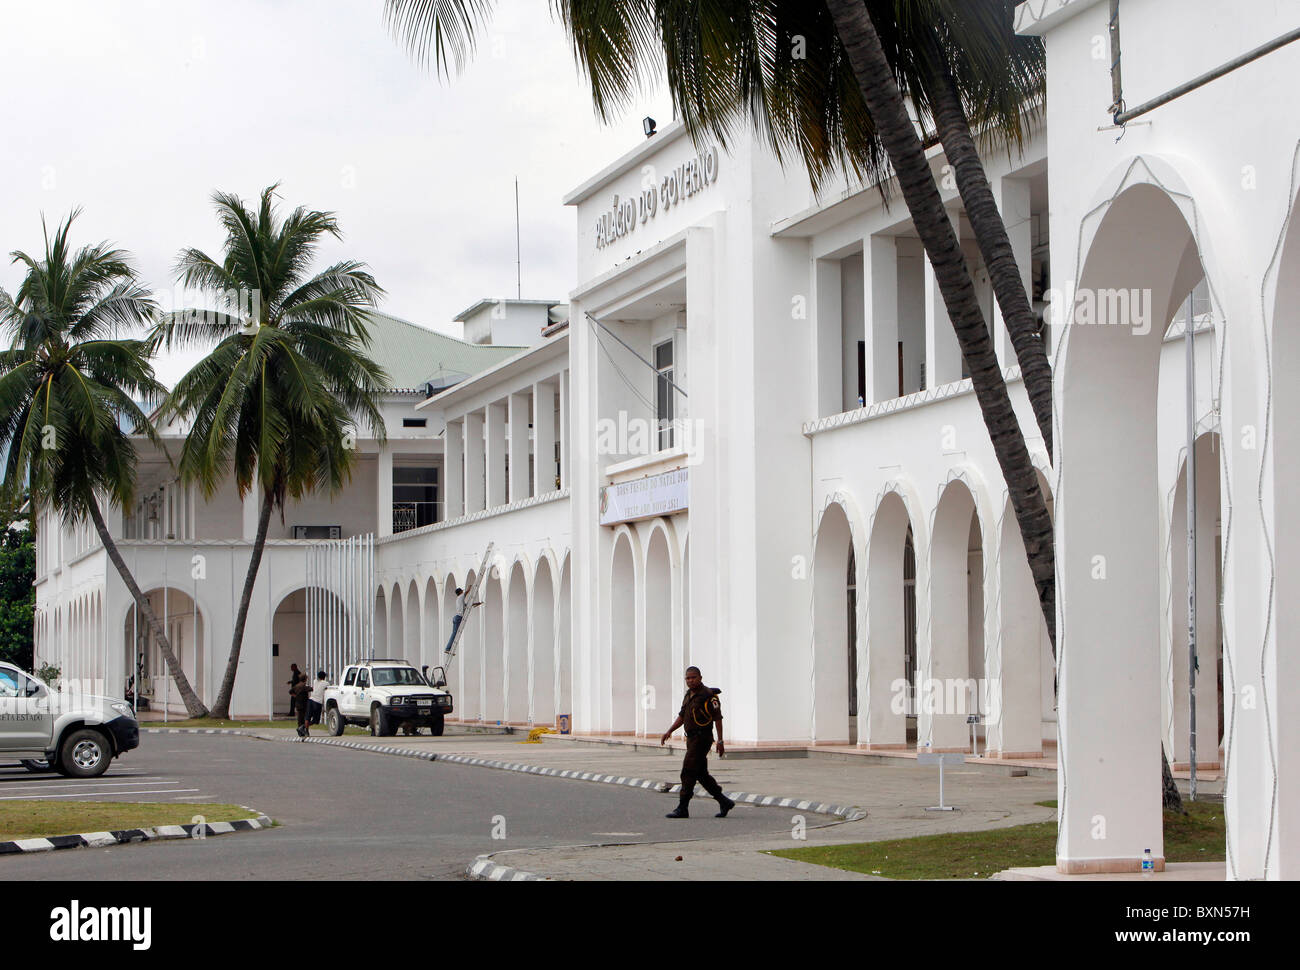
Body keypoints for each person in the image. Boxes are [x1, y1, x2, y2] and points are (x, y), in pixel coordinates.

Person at [660, 666, 736, 819]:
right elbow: (682, 716)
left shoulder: (709, 695)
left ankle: (683, 807)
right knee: (701, 774)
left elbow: (718, 718)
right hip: (692, 738)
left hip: (702, 739)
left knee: (688, 770)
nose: (690, 680)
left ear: (700, 677)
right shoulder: (689, 695)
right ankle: (724, 801)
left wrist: (720, 741)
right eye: (687, 678)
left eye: (693, 677)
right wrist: (670, 730)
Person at [443, 588, 480, 654]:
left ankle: (449, 648)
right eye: (462, 591)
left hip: (456, 617)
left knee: (454, 634)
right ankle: (448, 648)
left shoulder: (459, 600)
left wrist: (476, 603)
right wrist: (470, 587)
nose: (463, 591)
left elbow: (467, 605)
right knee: (454, 634)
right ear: (460, 592)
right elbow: (465, 593)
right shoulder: (460, 597)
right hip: (458, 618)